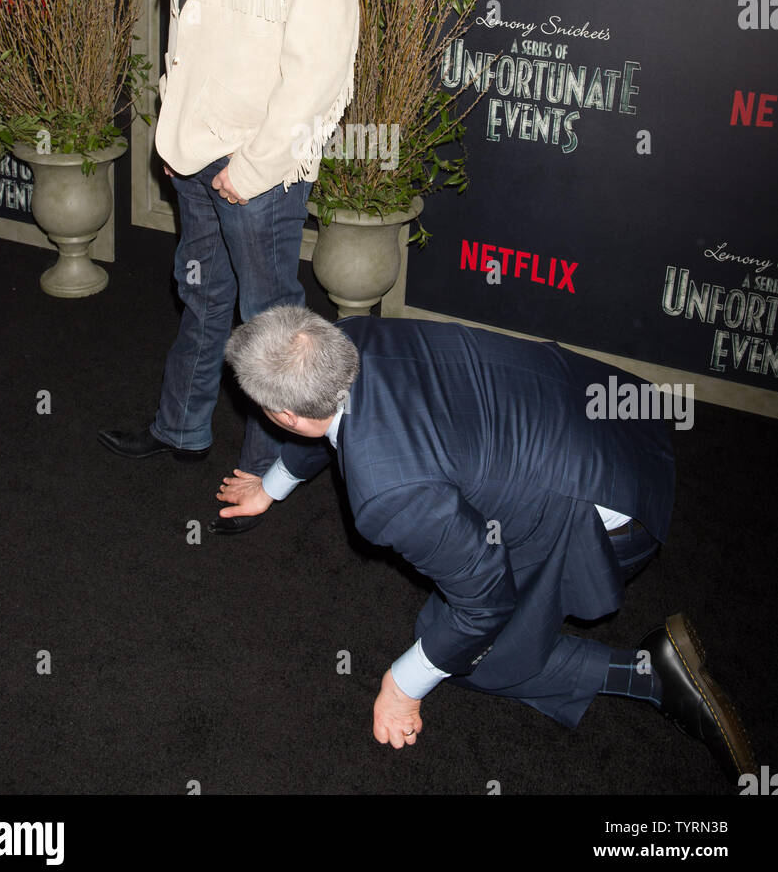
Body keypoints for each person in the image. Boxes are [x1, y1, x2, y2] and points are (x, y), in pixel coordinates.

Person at [217, 306, 756, 781]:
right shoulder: (349, 338)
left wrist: (401, 687)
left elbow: (484, 600)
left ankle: (652, 677)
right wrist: (271, 485)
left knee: (476, 654)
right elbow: (323, 413)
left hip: (610, 510)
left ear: (284, 417)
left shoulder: (385, 491)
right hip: (622, 413)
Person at [99, 0, 362, 535]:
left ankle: (264, 469)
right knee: (202, 293)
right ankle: (179, 427)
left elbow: (323, 74)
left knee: (270, 325)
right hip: (194, 146)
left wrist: (254, 166)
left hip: (256, 168)